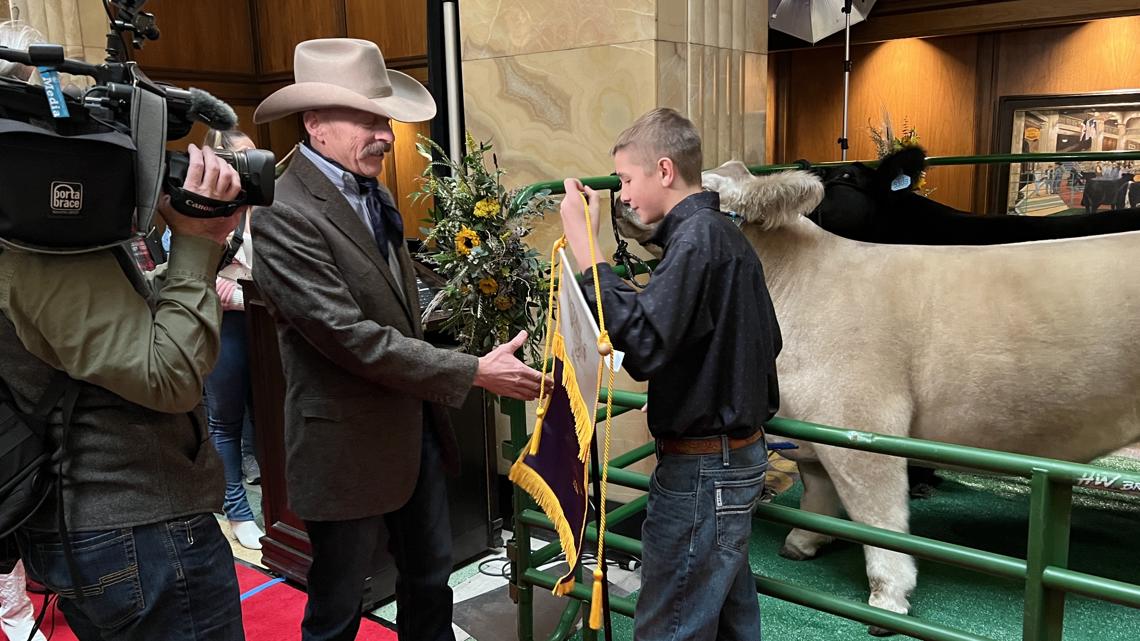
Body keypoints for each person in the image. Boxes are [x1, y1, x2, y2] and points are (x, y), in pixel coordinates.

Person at [250, 38, 548, 641]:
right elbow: (347, 336)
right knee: (337, 607)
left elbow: (394, 304)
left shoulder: (377, 194)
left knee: (429, 582)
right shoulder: (282, 210)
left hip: (415, 439)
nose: (384, 134)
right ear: (315, 123)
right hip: (344, 451)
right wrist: (471, 370)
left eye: (384, 119)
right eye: (367, 118)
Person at [0, 144, 248, 640]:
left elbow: (124, 324)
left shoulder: (32, 230)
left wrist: (204, 246)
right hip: (139, 529)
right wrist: (194, 240)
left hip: (97, 524)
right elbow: (167, 373)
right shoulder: (39, 242)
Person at [559, 107, 782, 641]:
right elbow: (768, 340)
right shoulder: (721, 236)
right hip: (734, 459)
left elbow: (641, 342)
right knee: (729, 620)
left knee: (670, 624)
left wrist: (590, 256)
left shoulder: (697, 241)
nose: (625, 196)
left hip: (706, 470)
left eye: (627, 180)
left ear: (664, 170)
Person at [201, 128, 265, 550]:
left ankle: (276, 507)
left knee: (267, 418)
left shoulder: (262, 208)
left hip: (266, 325)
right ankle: (238, 511)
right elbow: (191, 277)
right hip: (226, 330)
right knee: (224, 421)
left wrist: (242, 290)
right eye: (242, 157)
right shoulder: (204, 208)